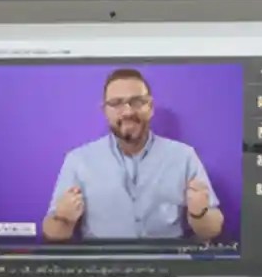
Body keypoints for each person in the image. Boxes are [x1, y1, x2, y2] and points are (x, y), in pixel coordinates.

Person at [43, 68, 224, 241]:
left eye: (137, 101)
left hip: (167, 261)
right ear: (105, 111)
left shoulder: (184, 156)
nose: (128, 111)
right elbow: (53, 233)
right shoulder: (78, 160)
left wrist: (199, 213)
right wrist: (63, 218)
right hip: (103, 265)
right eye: (116, 103)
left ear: (151, 107)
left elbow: (212, 230)